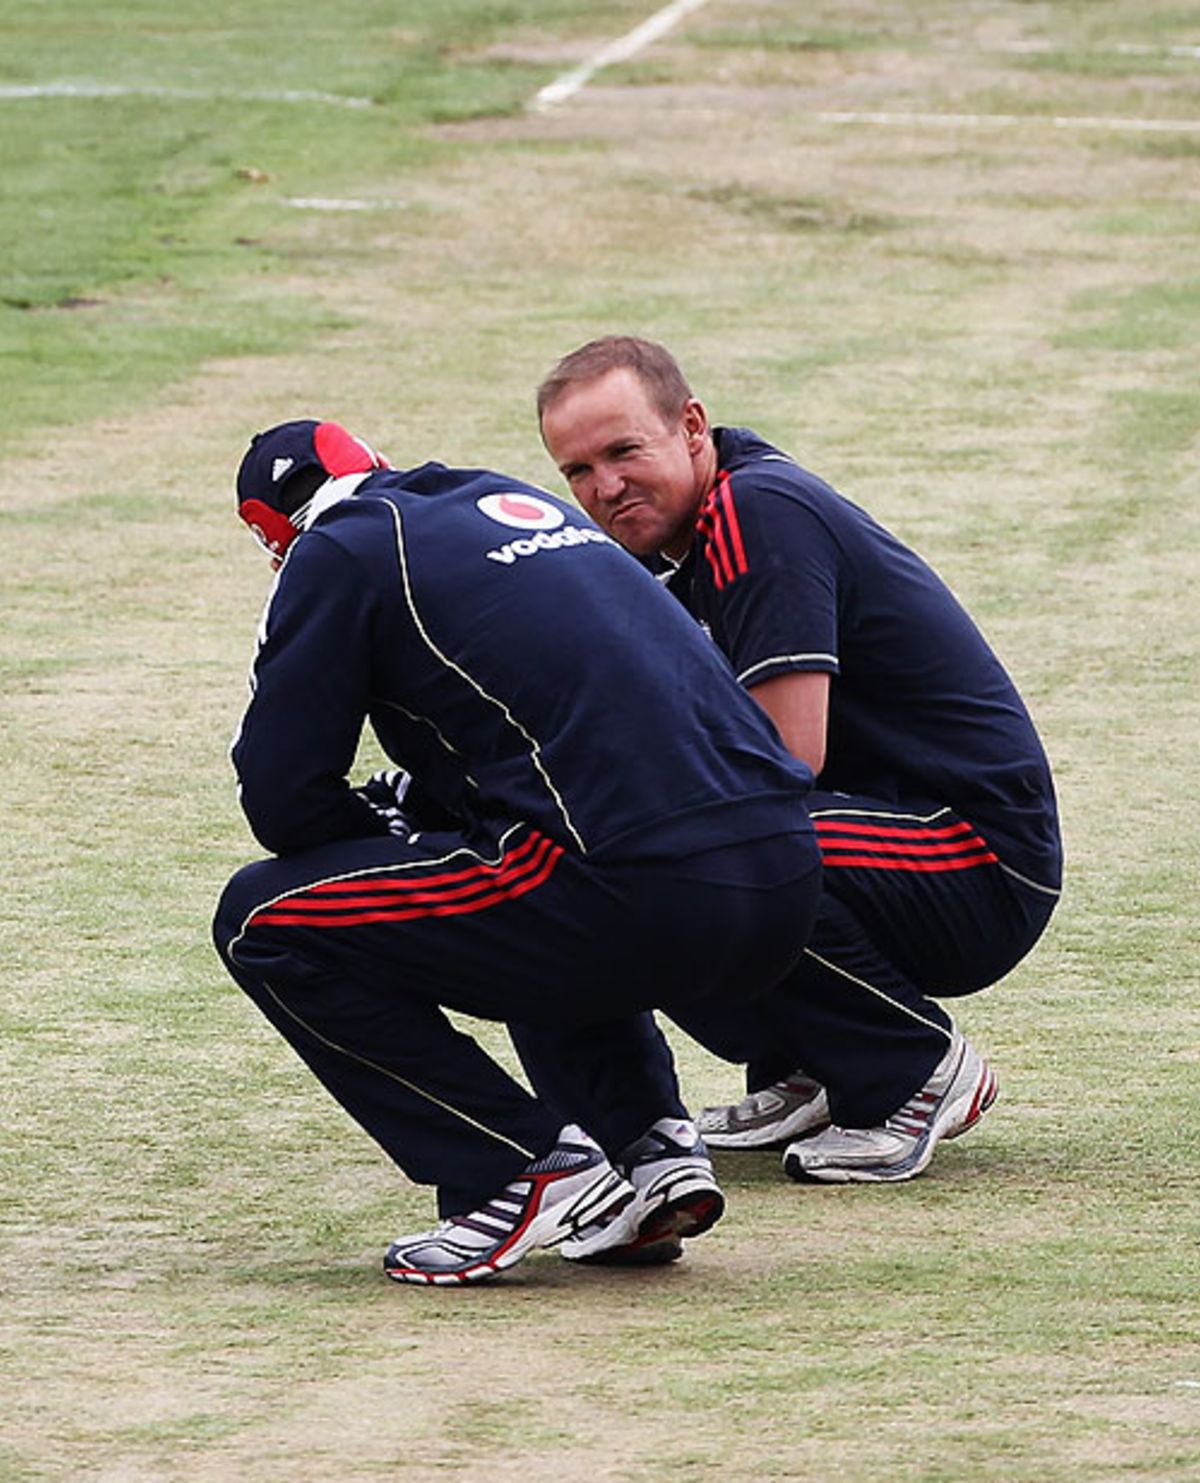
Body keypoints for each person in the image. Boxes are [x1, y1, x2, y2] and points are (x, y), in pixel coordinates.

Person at [212, 417, 822, 1284]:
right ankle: (645, 1148)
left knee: (262, 918)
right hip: (789, 878)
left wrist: (379, 831)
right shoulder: (507, 502)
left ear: (274, 538)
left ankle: (512, 1168)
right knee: (522, 865)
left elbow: (280, 794)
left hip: (644, 892)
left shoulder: (339, 547)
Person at [531, 336, 1063, 1184]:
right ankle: (810, 1064)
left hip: (979, 858)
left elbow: (788, 756)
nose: (605, 487)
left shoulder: (755, 513)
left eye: (624, 450)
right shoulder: (673, 544)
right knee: (620, 848)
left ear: (692, 426)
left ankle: (914, 1071)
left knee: (706, 845)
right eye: (579, 470)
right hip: (888, 835)